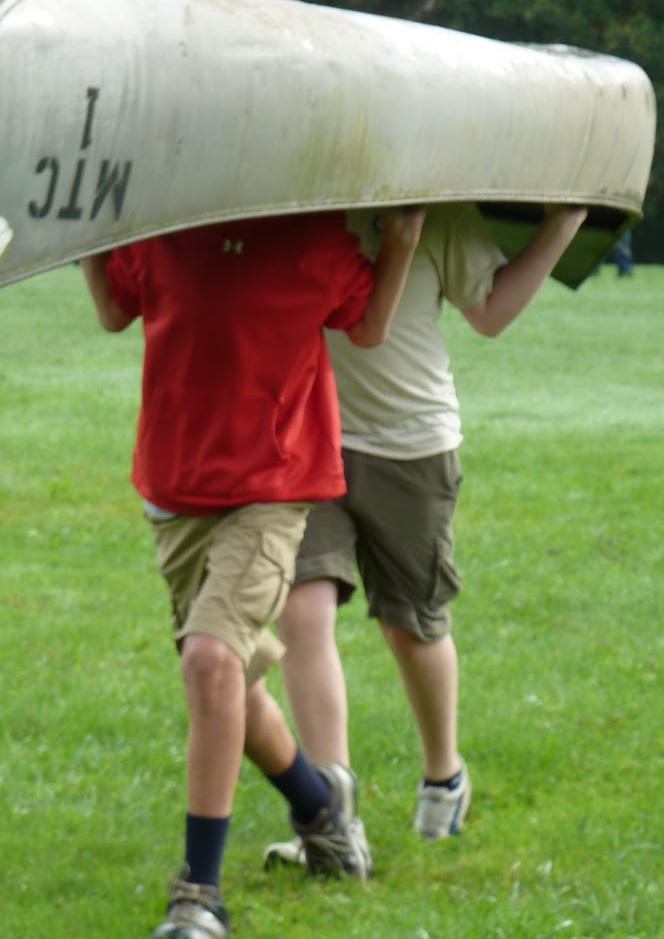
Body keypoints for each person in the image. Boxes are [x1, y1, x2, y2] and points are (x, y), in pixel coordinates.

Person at [82, 205, 426, 939]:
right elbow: (115, 310)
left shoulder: (316, 238)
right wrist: (86, 231)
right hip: (174, 490)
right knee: (232, 683)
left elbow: (366, 327)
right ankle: (320, 810)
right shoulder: (166, 225)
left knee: (210, 662)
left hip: (274, 490)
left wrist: (400, 242)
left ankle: (198, 894)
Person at [261, 203, 588, 872]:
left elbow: (489, 314)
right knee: (302, 611)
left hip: (410, 446)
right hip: (306, 436)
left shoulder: (437, 210)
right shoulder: (294, 198)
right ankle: (331, 815)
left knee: (411, 624)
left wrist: (563, 225)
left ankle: (444, 775)